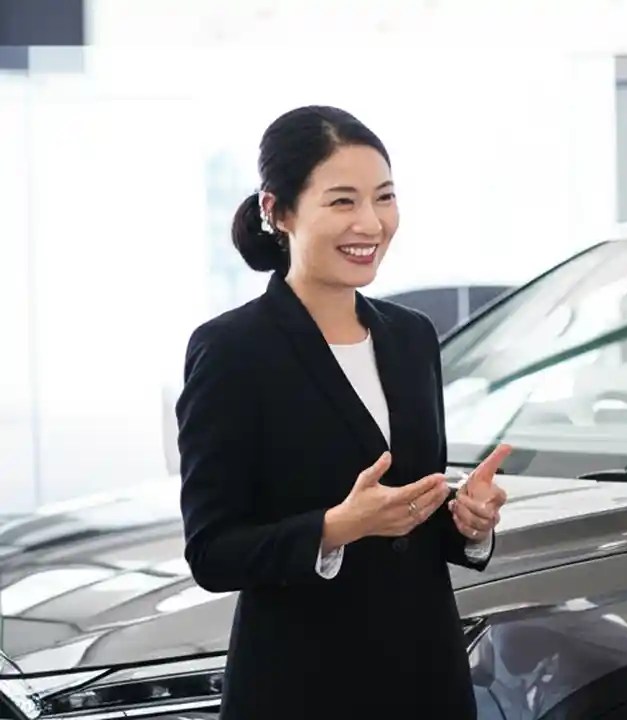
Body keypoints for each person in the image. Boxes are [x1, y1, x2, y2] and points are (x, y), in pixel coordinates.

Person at [176, 105, 511, 719]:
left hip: (425, 677)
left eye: (384, 197)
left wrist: (468, 521)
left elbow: (408, 516)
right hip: (303, 686)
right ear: (277, 212)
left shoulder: (411, 337)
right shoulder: (232, 350)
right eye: (342, 201)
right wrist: (334, 528)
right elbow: (212, 550)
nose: (371, 222)